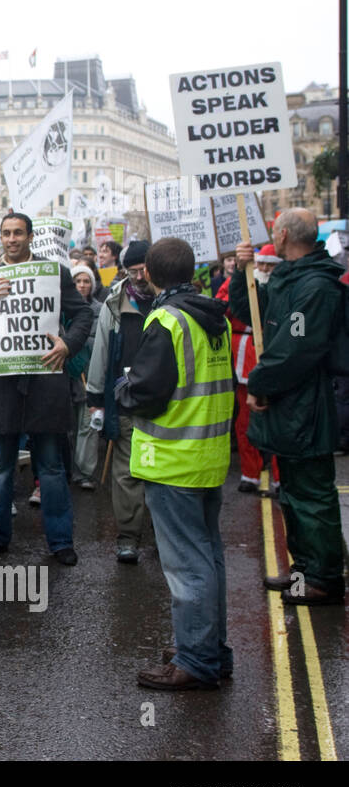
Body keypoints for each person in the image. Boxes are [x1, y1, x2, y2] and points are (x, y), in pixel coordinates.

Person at [118, 238, 234, 690]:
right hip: (206, 455)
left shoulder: (168, 319)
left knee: (187, 566)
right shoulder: (212, 316)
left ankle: (197, 660)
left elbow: (146, 391)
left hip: (173, 459)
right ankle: (210, 648)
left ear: (148, 272)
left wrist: (121, 391)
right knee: (209, 559)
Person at [0, 211, 93, 565]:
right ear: (0, 237)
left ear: (30, 236)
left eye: (18, 233)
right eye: (6, 233)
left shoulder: (55, 273)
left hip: (46, 381)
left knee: (50, 468)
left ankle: (61, 541)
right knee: (0, 468)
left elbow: (83, 315)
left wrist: (68, 344)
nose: (12, 239)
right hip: (4, 384)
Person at [233, 209, 347, 606]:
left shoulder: (316, 286)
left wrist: (260, 384)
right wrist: (240, 272)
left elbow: (298, 348)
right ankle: (304, 571)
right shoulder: (292, 278)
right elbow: (257, 314)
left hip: (308, 404)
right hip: (291, 404)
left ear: (281, 236)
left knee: (312, 495)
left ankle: (325, 577)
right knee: (295, 495)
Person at [85, 241, 155, 563]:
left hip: (163, 404)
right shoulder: (114, 305)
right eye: (133, 270)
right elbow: (100, 352)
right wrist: (96, 398)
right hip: (125, 401)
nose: (140, 276)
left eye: (144, 269)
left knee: (157, 471)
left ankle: (162, 530)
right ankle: (128, 536)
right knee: (125, 472)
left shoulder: (168, 302)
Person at [218, 243, 280, 494]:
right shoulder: (241, 281)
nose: (264, 268)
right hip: (244, 351)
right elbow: (221, 304)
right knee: (245, 421)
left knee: (277, 421)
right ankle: (250, 473)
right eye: (261, 263)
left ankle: (279, 477)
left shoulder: (284, 286)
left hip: (273, 350)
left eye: (269, 264)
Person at [69, 262, 100, 488]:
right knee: (68, 425)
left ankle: (85, 472)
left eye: (86, 281)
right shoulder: (64, 308)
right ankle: (69, 467)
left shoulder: (100, 309)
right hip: (70, 374)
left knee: (88, 425)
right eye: (78, 281)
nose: (82, 285)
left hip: (92, 374)